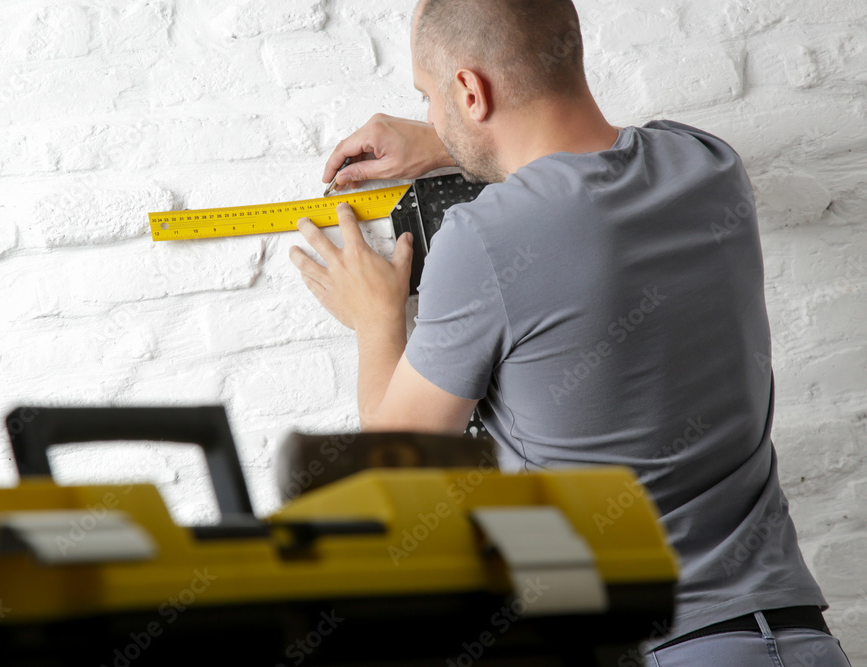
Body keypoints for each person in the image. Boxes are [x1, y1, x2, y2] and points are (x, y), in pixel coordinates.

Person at [287, 0, 853, 664]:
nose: (431, 112)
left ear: (471, 90)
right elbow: (578, 142)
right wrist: (458, 135)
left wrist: (376, 320)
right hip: (803, 637)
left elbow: (387, 475)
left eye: (429, 95)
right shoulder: (709, 166)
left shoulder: (486, 241)